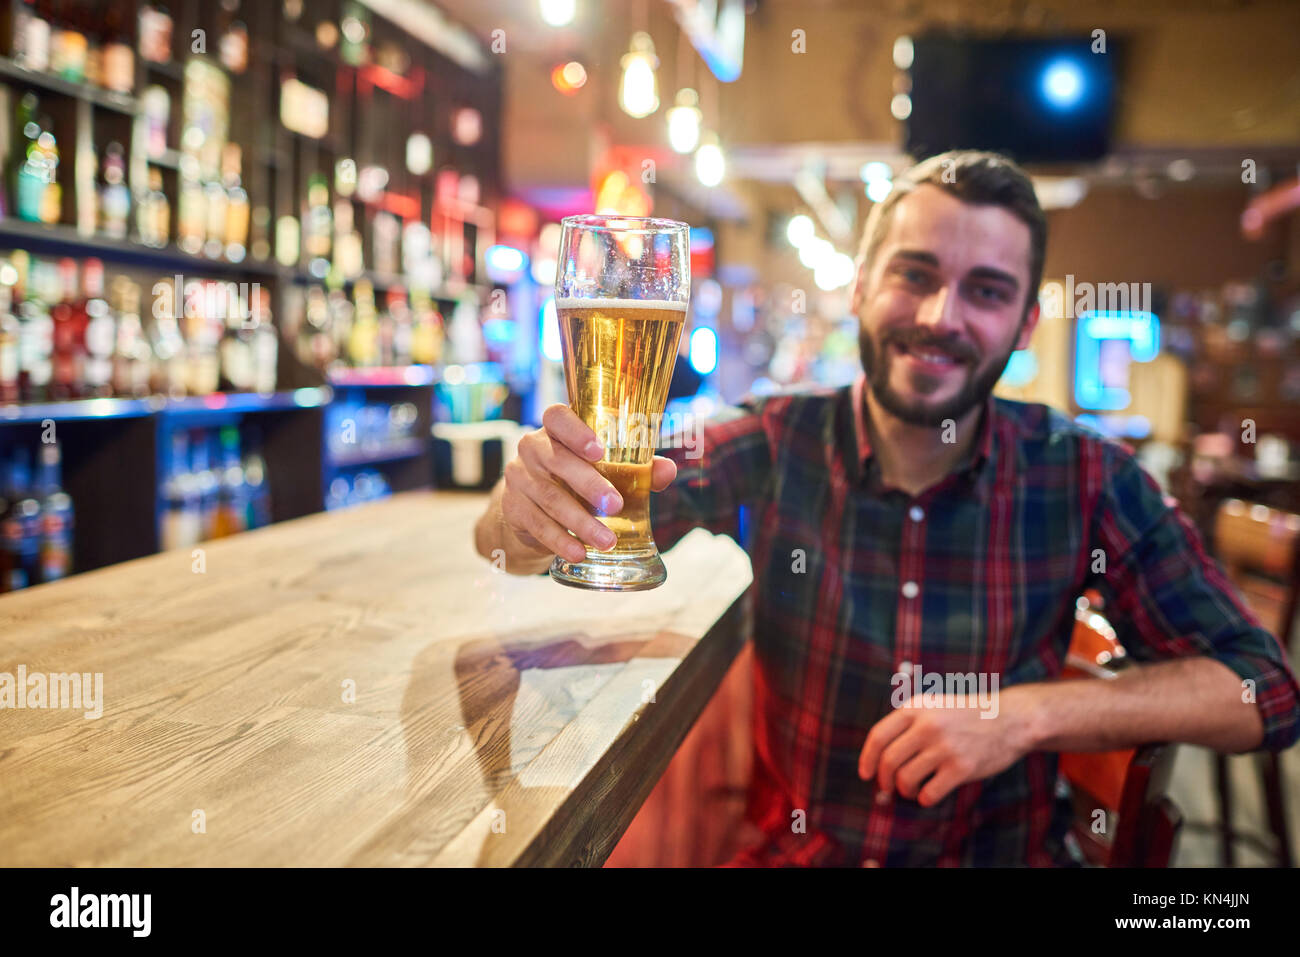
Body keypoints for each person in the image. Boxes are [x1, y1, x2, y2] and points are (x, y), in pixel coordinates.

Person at [473, 150, 1300, 866]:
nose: (942, 317)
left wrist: (1020, 716)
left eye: (986, 289)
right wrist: (524, 513)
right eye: (916, 274)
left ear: (1024, 322)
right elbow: (536, 537)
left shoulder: (1083, 474)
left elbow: (1262, 690)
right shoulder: (777, 436)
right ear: (862, 285)